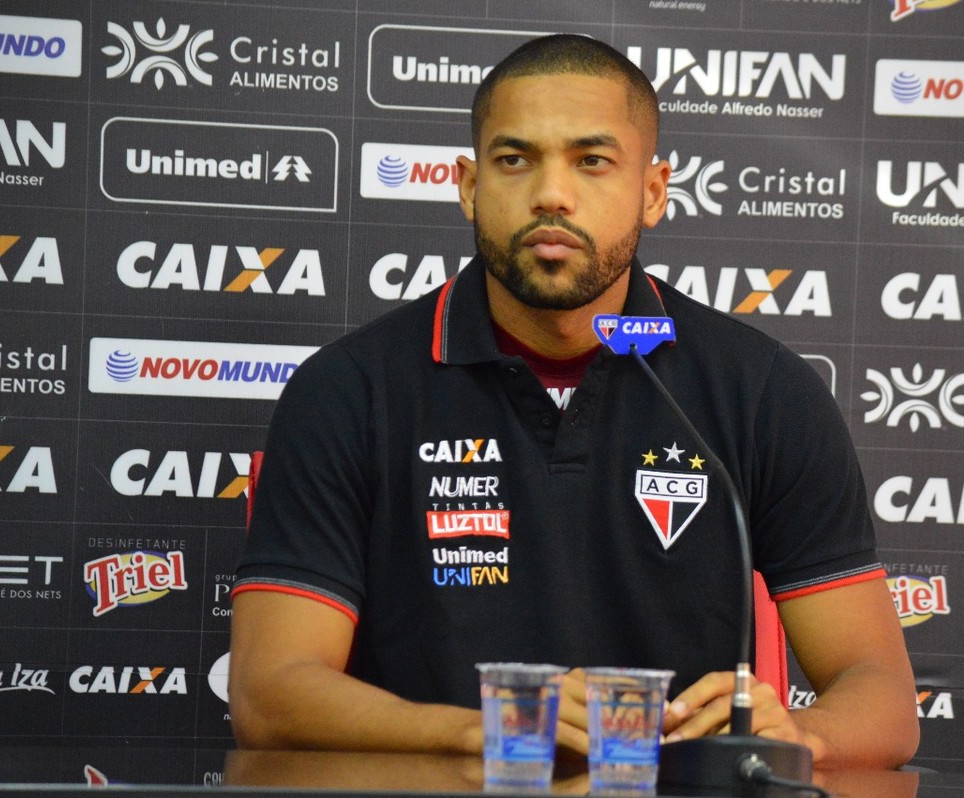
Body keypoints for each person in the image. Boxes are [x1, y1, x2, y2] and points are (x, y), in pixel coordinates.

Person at [229, 34, 919, 768]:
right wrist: (496, 729)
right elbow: (270, 695)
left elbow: (882, 696)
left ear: (653, 192)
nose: (551, 194)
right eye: (514, 159)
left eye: (592, 160)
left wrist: (801, 738)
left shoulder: (762, 391)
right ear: (468, 185)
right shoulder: (347, 391)